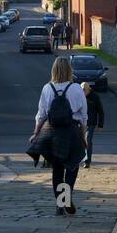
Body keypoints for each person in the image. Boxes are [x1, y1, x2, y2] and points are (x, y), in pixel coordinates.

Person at [31, 56, 88, 215]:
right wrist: (84, 138)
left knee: (57, 169)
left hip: (53, 133)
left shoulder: (47, 88)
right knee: (72, 166)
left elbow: (41, 115)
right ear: (69, 70)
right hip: (73, 132)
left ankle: (59, 204)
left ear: (54, 70)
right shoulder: (76, 88)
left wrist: (36, 133)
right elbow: (84, 117)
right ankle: (66, 197)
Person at [82, 81, 104, 169]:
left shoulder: (95, 97)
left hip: (91, 122)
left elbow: (101, 111)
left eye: (84, 90)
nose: (83, 92)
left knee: (87, 140)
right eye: (82, 90)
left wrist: (100, 125)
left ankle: (87, 162)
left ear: (88, 89)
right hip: (81, 123)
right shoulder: (79, 96)